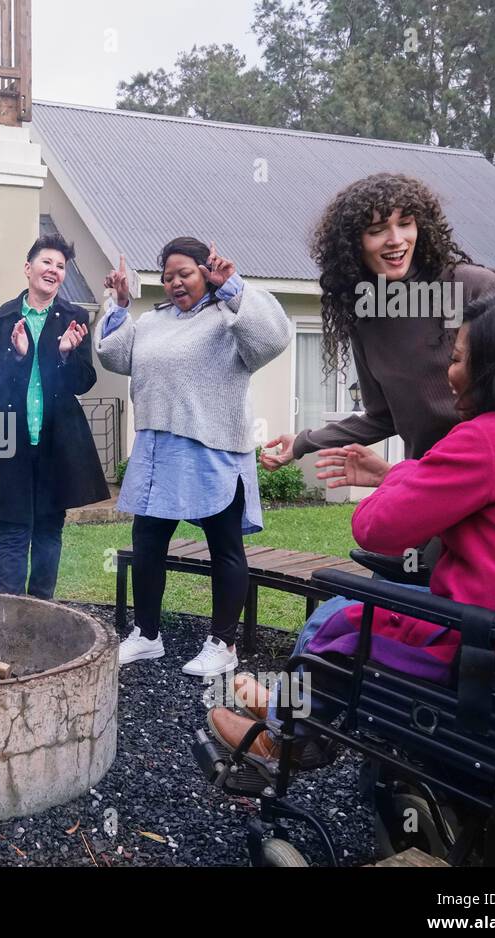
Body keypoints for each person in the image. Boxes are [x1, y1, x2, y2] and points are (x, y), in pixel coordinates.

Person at [210, 289, 495, 765]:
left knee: (334, 614)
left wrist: (387, 485)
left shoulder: (486, 440)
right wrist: (393, 474)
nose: (450, 373)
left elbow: (375, 528)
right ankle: (286, 706)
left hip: (486, 655)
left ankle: (284, 739)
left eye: (459, 358)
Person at [97, 240, 290, 676]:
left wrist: (235, 288)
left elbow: (272, 340)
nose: (174, 283)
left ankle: (223, 644)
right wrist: (119, 303)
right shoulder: (153, 322)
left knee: (225, 547)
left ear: (206, 271)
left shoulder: (229, 317)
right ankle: (147, 635)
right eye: (167, 276)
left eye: (184, 273)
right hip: (158, 449)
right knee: (147, 545)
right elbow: (113, 355)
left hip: (214, 447)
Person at [261, 172, 495, 479]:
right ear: (354, 245)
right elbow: (383, 416)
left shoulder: (470, 287)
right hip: (429, 483)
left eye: (405, 223)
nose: (396, 239)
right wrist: (303, 442)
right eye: (377, 230)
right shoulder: (365, 315)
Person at [0, 232, 108, 598]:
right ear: (28, 268)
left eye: (61, 266)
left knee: (48, 528)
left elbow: (84, 381)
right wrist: (17, 356)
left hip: (57, 438)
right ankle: (9, 614)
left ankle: (42, 614)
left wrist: (64, 355)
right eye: (47, 262)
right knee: (10, 529)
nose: (54, 270)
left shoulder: (74, 318)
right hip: (8, 433)